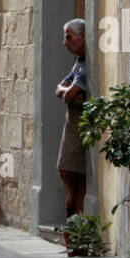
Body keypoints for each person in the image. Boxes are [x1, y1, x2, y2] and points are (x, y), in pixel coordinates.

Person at [55, 19, 88, 218]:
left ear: (83, 37)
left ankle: (76, 213)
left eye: (69, 37)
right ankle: (73, 210)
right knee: (66, 169)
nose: (64, 42)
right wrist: (68, 92)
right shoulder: (79, 63)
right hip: (74, 121)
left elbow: (67, 94)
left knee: (71, 170)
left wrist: (68, 92)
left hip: (81, 123)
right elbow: (59, 89)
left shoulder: (85, 65)